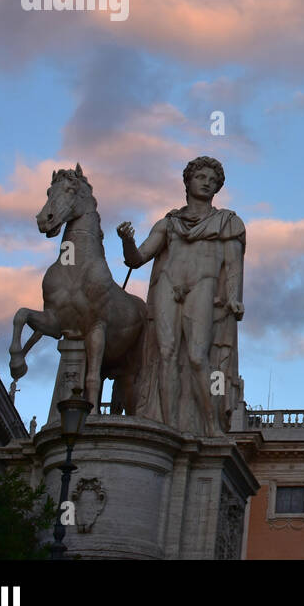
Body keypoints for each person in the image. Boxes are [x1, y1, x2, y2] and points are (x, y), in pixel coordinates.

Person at [118, 156, 244, 435]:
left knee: (199, 357)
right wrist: (127, 241)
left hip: (204, 287)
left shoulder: (227, 222)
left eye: (213, 180)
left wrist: (234, 297)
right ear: (188, 181)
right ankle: (169, 428)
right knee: (166, 354)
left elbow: (234, 265)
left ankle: (211, 425)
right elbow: (137, 259)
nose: (207, 183)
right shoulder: (169, 223)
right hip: (168, 284)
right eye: (201, 177)